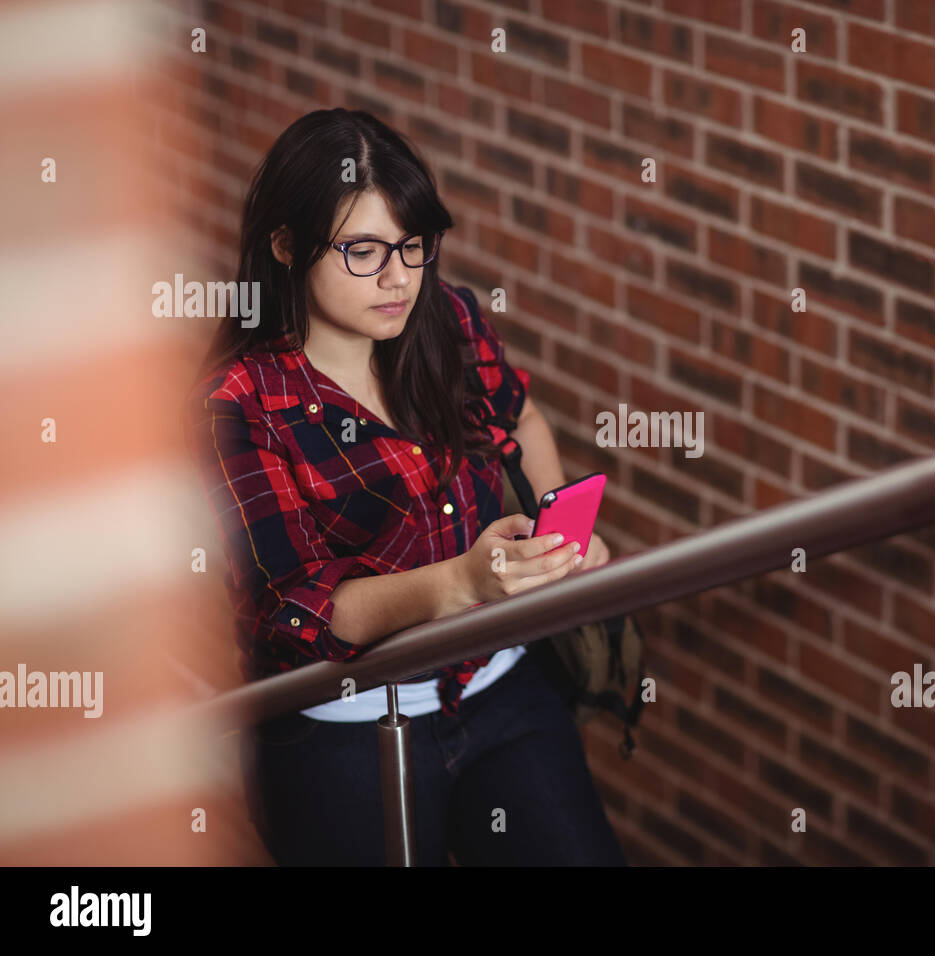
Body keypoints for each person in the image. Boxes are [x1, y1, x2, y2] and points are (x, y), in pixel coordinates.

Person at [184, 108, 625, 866]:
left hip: (499, 682)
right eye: (362, 251)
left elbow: (523, 416)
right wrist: (459, 583)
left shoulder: (446, 318)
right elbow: (297, 611)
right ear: (286, 245)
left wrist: (559, 542)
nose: (399, 278)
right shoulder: (241, 404)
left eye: (413, 246)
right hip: (343, 727)